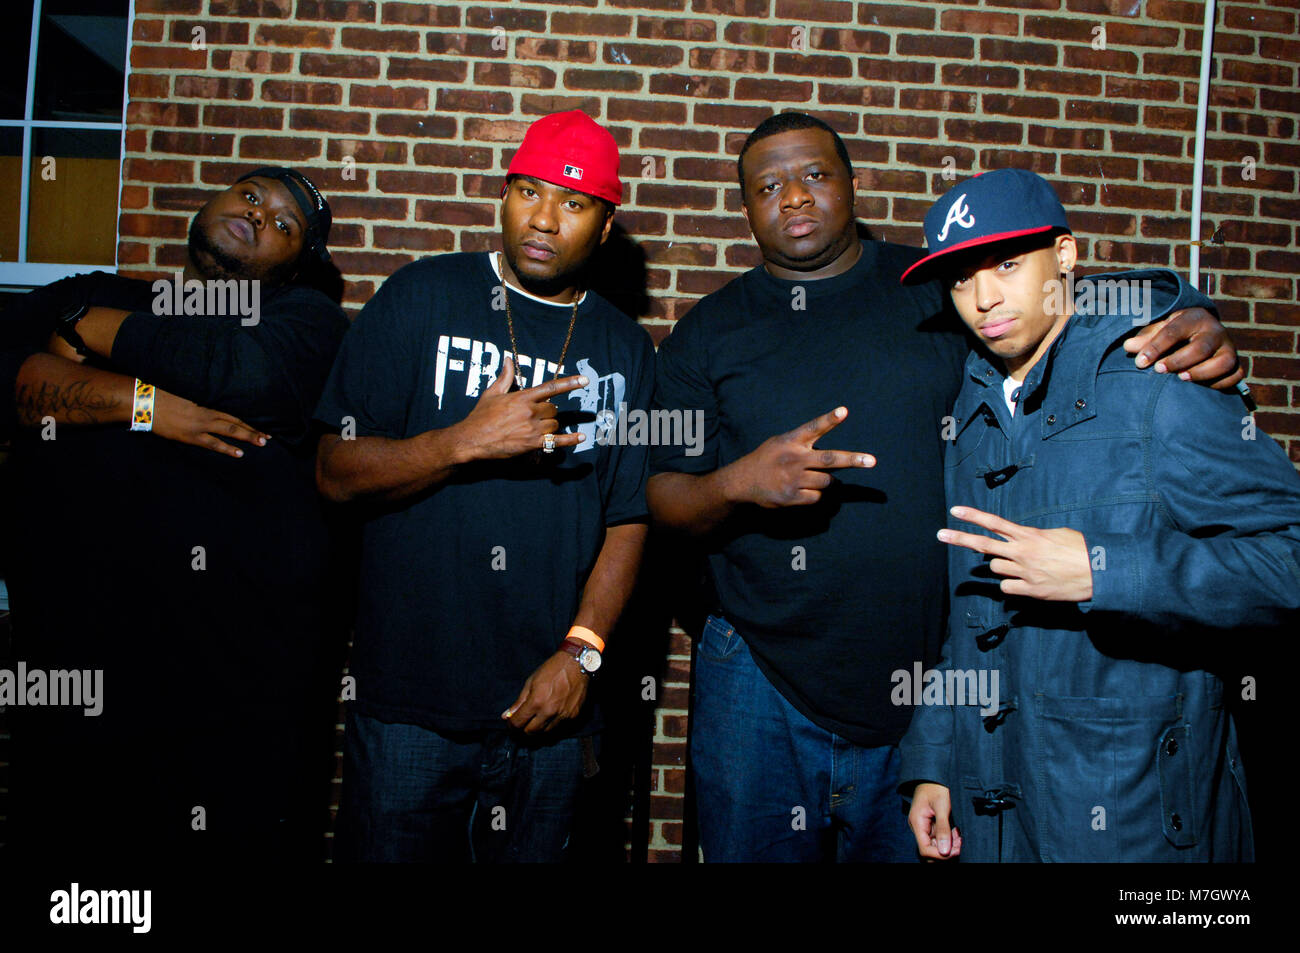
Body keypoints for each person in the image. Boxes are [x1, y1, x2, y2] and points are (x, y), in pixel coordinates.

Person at [646, 112, 1243, 862]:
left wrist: (1182, 310)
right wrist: (738, 482)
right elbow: (659, 499)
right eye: (768, 186)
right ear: (746, 209)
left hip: (925, 669)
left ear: (853, 186)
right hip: (758, 670)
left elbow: (1057, 306)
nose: (793, 197)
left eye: (814, 175)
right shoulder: (709, 330)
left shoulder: (937, 292)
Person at [897, 169, 1294, 862]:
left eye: (1009, 264)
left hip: (1141, 823)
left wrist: (1103, 571)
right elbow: (970, 616)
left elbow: (1288, 561)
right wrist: (935, 757)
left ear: (1067, 256)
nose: (984, 297)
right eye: (961, 278)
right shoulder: (973, 411)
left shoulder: (1159, 383)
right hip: (1000, 819)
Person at [314, 111, 654, 863]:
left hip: (552, 706)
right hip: (411, 705)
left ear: (604, 227)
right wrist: (462, 442)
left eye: (573, 203)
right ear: (503, 195)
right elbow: (333, 474)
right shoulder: (420, 296)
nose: (543, 218)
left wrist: (583, 654)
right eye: (529, 192)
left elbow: (628, 519)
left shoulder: (623, 347)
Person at [0, 166, 350, 862]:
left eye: (286, 225)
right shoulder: (93, 292)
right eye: (252, 195)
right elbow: (14, 382)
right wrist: (148, 405)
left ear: (293, 267)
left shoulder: (303, 323)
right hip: (73, 674)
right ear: (212, 201)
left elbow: (245, 375)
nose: (259, 215)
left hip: (223, 695)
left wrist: (80, 338)